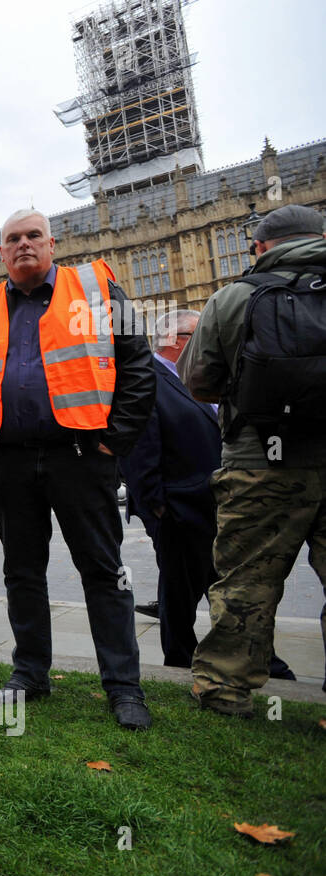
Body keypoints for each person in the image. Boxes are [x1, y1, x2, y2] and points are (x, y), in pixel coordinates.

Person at [0, 210, 155, 730]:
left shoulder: (96, 288)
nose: (23, 245)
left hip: (81, 454)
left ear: (53, 243)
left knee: (103, 571)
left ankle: (123, 686)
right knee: (21, 571)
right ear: (1, 252)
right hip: (11, 458)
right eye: (12, 239)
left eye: (33, 236)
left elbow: (139, 365)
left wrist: (114, 442)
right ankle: (29, 674)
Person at [179, 203, 326, 715]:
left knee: (246, 580)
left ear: (260, 247)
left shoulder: (235, 297)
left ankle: (225, 690)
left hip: (261, 460)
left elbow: (197, 381)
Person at [121, 310, 298, 680]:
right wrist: (158, 509)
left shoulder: (197, 377)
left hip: (216, 503)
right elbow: (138, 450)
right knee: (184, 591)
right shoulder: (145, 380)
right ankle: (184, 660)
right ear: (175, 341)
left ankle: (249, 655)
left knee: (217, 583)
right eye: (200, 334)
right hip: (177, 508)